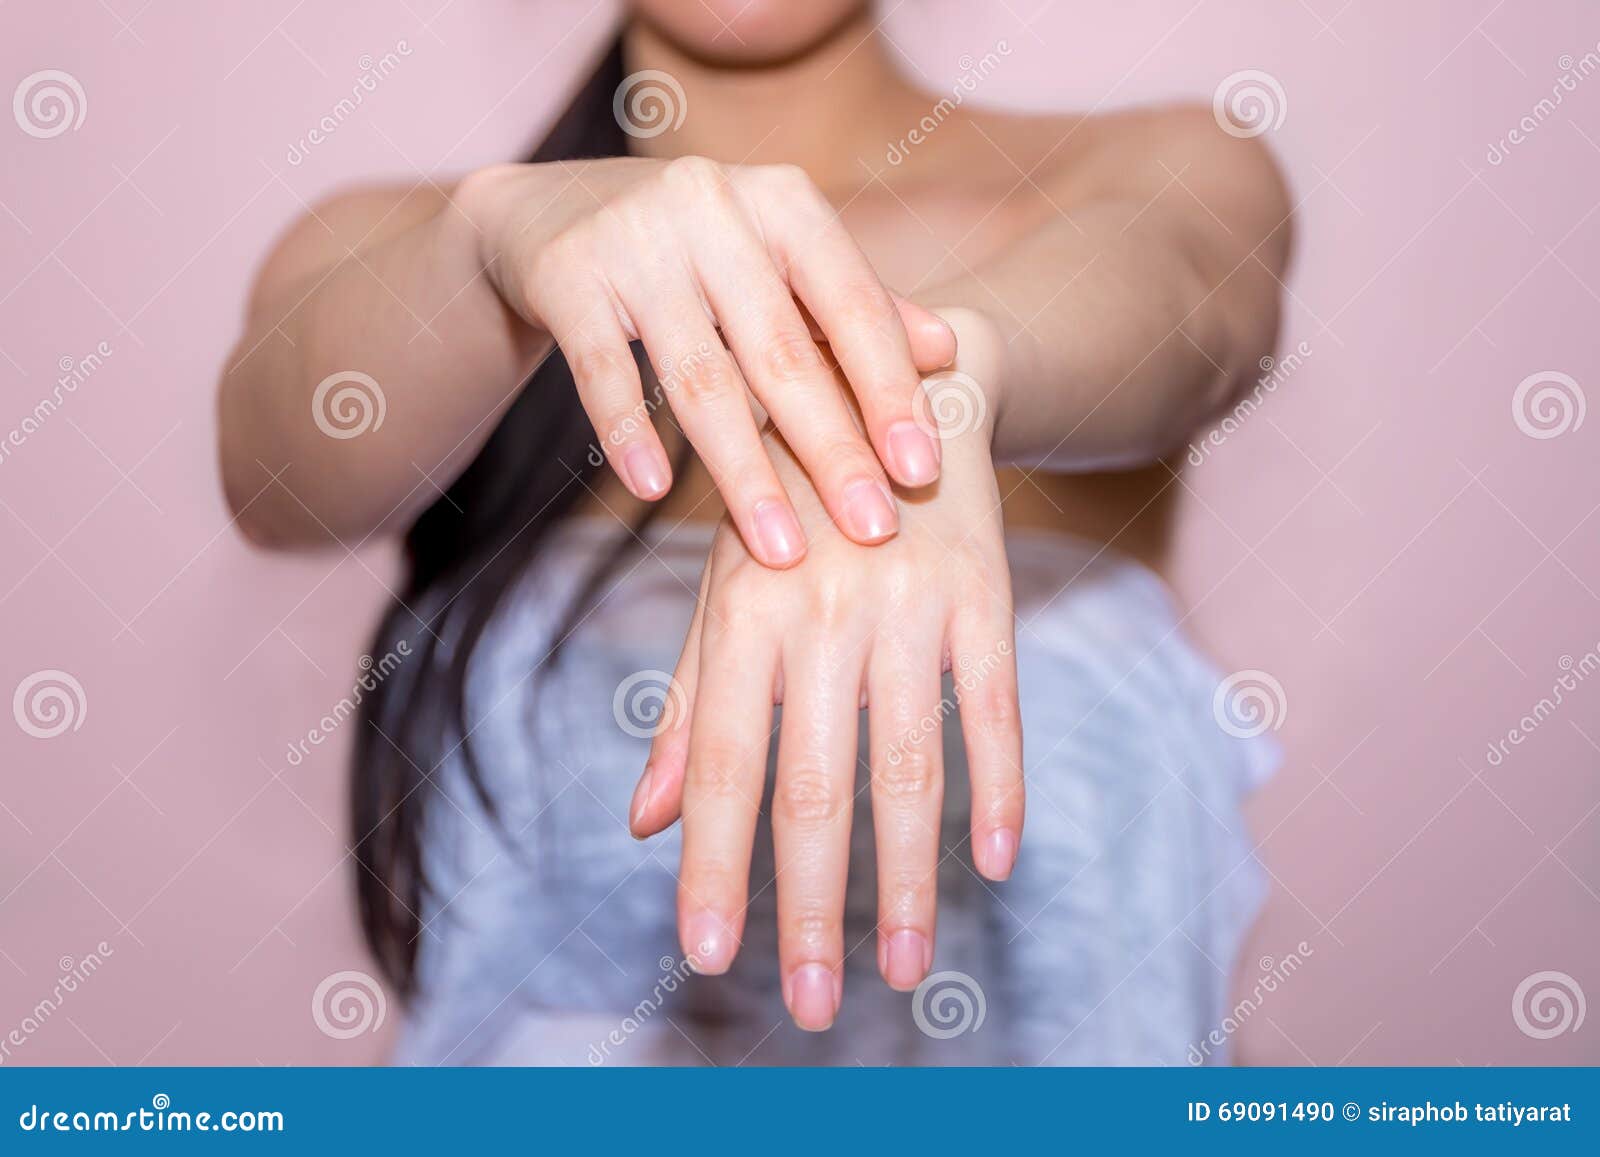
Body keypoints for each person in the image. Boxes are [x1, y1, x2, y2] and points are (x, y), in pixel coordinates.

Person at [218, 0, 1291, 1064]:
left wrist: (921, 397)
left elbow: (1193, 314)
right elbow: (276, 481)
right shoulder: (408, 248)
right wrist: (488, 244)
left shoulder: (1151, 174)